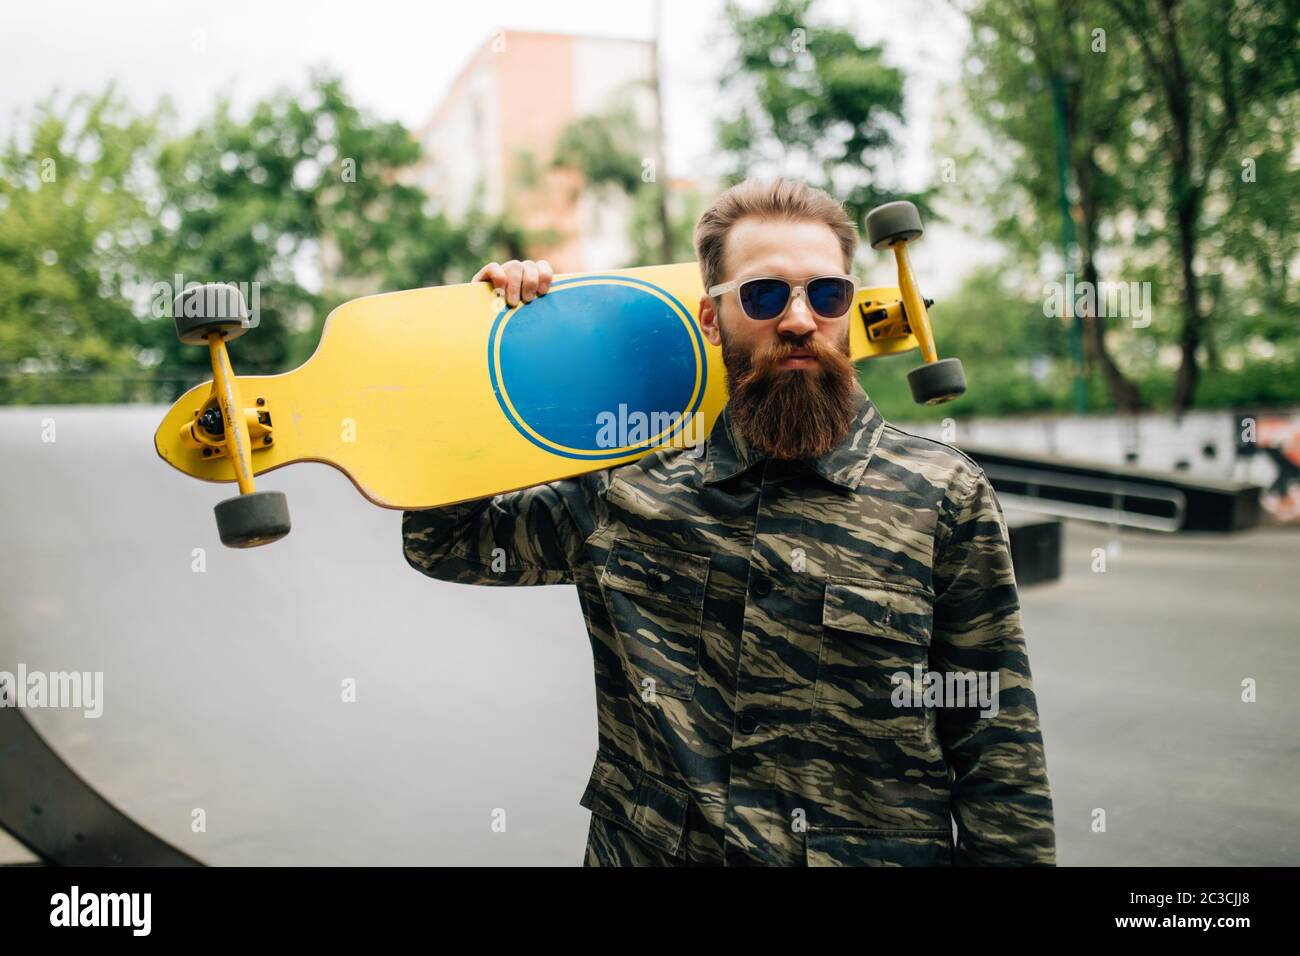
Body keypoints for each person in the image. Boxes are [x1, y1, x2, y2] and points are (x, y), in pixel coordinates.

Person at [402, 177, 1055, 866]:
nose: (799, 319)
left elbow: (996, 746)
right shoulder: (627, 484)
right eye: (764, 295)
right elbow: (443, 542)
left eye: (825, 293)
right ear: (711, 320)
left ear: (849, 311)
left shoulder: (942, 496)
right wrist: (481, 350)